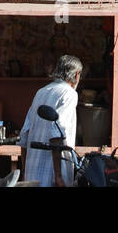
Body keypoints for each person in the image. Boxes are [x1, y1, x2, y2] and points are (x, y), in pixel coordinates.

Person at [19, 55, 83, 187]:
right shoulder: (69, 94)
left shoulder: (41, 92)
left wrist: (25, 172)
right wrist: (59, 175)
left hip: (32, 176)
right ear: (77, 75)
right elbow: (57, 133)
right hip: (52, 177)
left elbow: (24, 134)